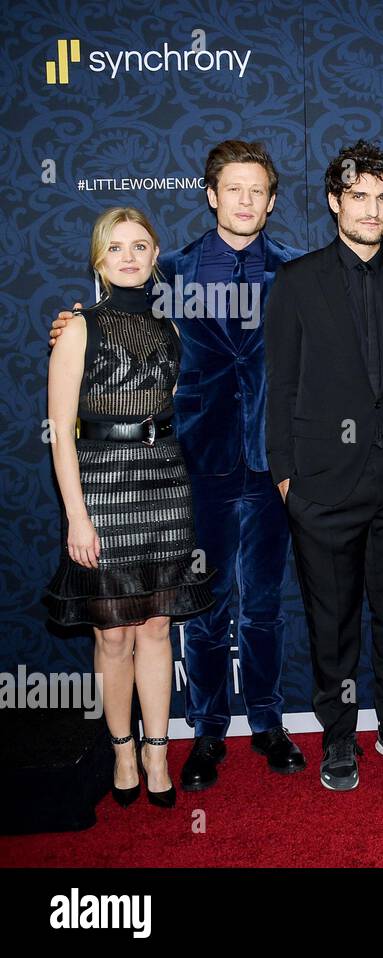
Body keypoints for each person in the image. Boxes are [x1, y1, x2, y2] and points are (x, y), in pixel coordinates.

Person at [45, 207, 215, 809]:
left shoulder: (173, 327)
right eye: (115, 247)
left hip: (164, 482)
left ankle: (156, 751)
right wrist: (77, 516)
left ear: (155, 255)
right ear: (99, 257)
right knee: (113, 634)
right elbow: (61, 432)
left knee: (158, 627)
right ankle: (121, 749)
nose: (128, 256)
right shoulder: (79, 329)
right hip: (102, 486)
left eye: (140, 246)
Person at [264, 141, 383, 791]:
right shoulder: (297, 282)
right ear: (334, 201)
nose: (372, 210)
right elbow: (280, 385)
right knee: (331, 624)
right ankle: (337, 737)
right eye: (359, 197)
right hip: (322, 486)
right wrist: (286, 478)